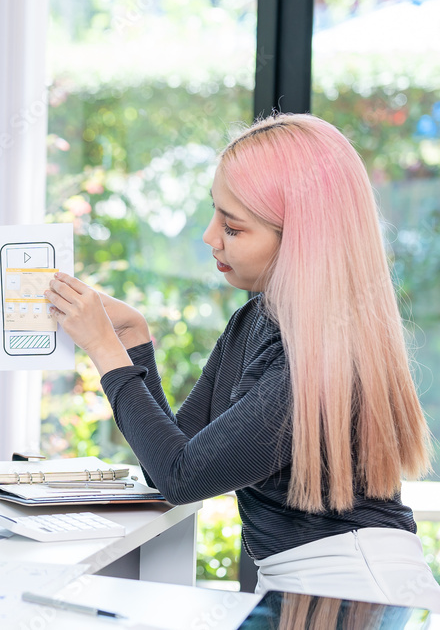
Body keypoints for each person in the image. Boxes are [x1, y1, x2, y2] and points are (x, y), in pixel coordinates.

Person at [46, 114, 440, 610]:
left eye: (233, 227)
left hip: (351, 586)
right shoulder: (255, 320)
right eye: (216, 215)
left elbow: (182, 480)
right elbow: (168, 462)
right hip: (308, 584)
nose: (211, 237)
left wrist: (104, 352)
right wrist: (132, 339)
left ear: (299, 240)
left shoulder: (317, 357)